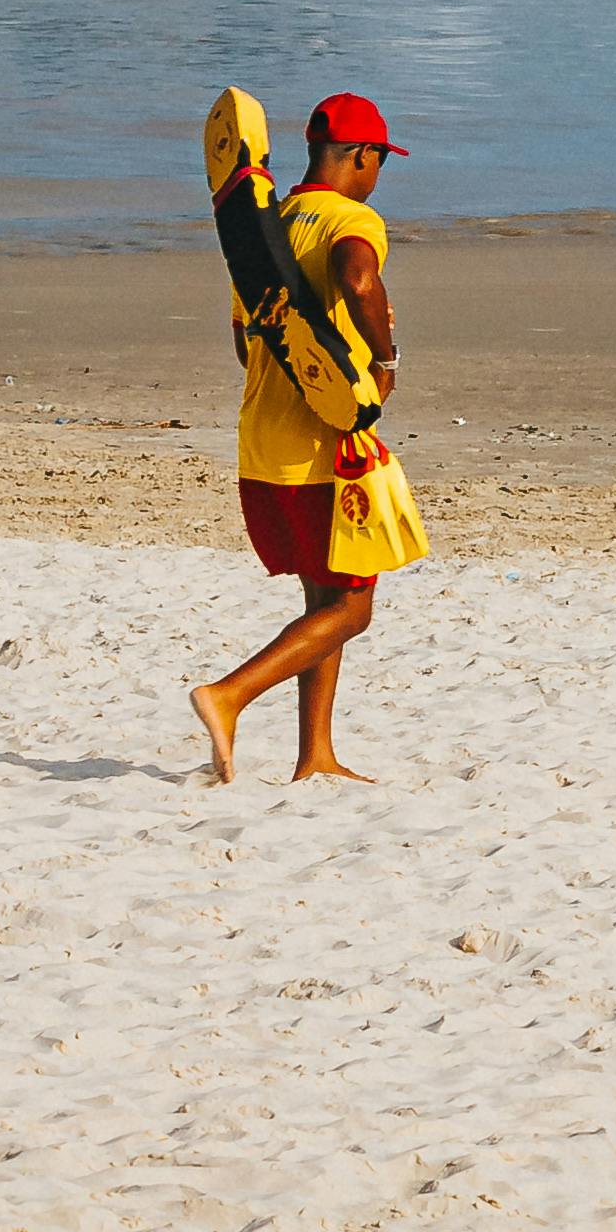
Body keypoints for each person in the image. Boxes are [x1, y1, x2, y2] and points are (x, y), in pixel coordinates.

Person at [190, 91, 405, 786]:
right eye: (379, 160)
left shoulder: (265, 232)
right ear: (363, 155)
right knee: (352, 607)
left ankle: (315, 756)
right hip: (325, 445)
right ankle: (228, 695)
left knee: (320, 601)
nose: (377, 173)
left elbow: (240, 340)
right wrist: (383, 356)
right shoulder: (354, 218)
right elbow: (358, 276)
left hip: (261, 438)